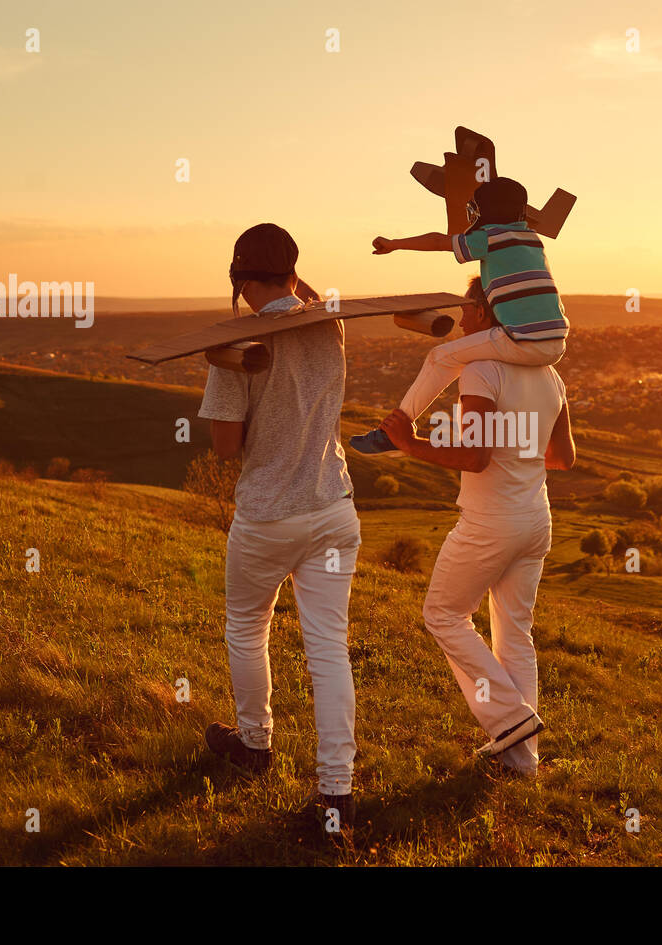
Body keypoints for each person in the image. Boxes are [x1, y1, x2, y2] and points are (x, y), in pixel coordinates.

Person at [198, 223, 361, 827]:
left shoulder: (237, 350)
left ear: (240, 283)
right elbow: (304, 298)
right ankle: (337, 795)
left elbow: (222, 445)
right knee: (328, 648)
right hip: (333, 505)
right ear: (295, 273)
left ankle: (254, 744)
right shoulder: (330, 325)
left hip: (268, 513)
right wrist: (290, 281)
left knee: (247, 627)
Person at [378, 276, 576, 774]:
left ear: (488, 314)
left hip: (492, 522)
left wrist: (410, 445)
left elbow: (474, 456)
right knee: (516, 634)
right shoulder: (551, 376)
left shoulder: (481, 369)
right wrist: (522, 457)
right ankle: (522, 762)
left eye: (468, 310)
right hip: (536, 518)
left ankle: (511, 719)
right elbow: (563, 457)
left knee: (443, 615)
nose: (463, 320)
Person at [350, 177, 569, 456]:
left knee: (440, 357)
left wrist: (394, 243)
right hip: (556, 345)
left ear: (483, 211)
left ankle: (392, 432)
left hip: (521, 340)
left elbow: (437, 241)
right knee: (462, 354)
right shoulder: (533, 240)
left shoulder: (490, 239)